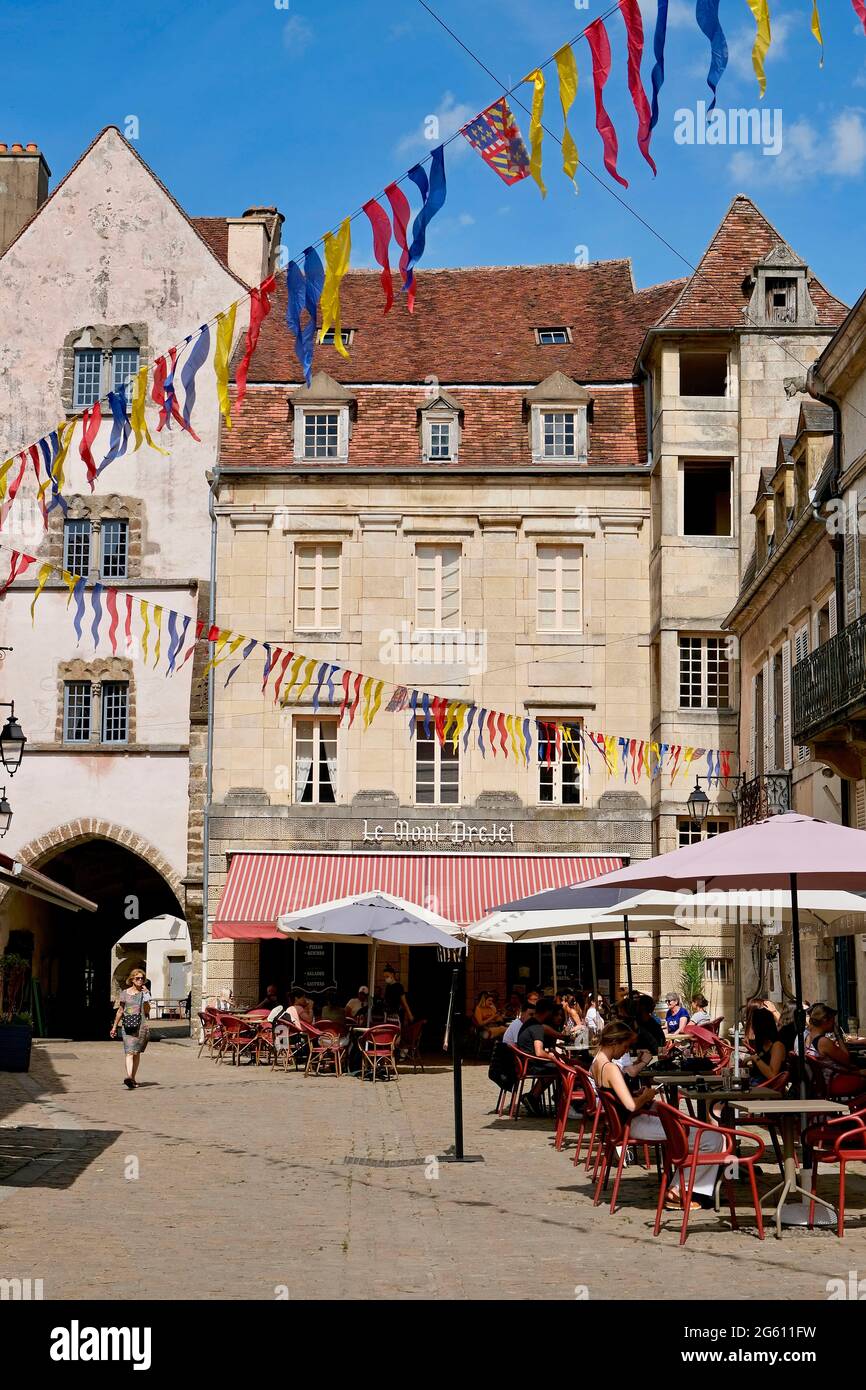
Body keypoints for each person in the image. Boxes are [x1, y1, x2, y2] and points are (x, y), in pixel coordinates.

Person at [591, 1020, 724, 1207]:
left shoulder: (597, 1063)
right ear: (614, 1043)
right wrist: (645, 1096)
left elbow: (620, 1099)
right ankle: (679, 1190)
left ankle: (681, 1187)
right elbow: (630, 1106)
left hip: (626, 1123)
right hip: (634, 1123)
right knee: (711, 1138)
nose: (626, 1051)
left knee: (700, 1134)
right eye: (626, 1046)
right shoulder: (611, 1068)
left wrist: (638, 1096)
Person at [805, 1003, 866, 1097]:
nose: (835, 1023)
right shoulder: (823, 1042)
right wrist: (838, 1034)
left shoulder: (809, 1037)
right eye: (833, 1020)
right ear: (826, 1020)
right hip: (835, 1082)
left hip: (826, 1080)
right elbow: (846, 1059)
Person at [516, 997, 560, 1115]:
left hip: (525, 1061)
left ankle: (534, 1096)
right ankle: (533, 1096)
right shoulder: (537, 1028)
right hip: (530, 1064)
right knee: (558, 1068)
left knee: (556, 1066)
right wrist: (551, 1057)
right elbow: (539, 1052)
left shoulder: (531, 1023)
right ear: (548, 1012)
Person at [110, 968, 151, 1089]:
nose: (140, 980)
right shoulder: (124, 993)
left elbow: (148, 1010)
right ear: (132, 979)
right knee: (129, 1052)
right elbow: (120, 1011)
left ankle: (132, 1078)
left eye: (142, 978)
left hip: (141, 1026)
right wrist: (114, 1027)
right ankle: (128, 1076)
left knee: (136, 1052)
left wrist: (147, 995)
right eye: (137, 978)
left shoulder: (144, 994)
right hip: (127, 1026)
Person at [746, 1007, 786, 1085]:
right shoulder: (763, 1043)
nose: (752, 1027)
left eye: (752, 1024)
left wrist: (755, 1058)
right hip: (756, 1083)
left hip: (768, 1088)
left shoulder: (777, 1046)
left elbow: (772, 1075)